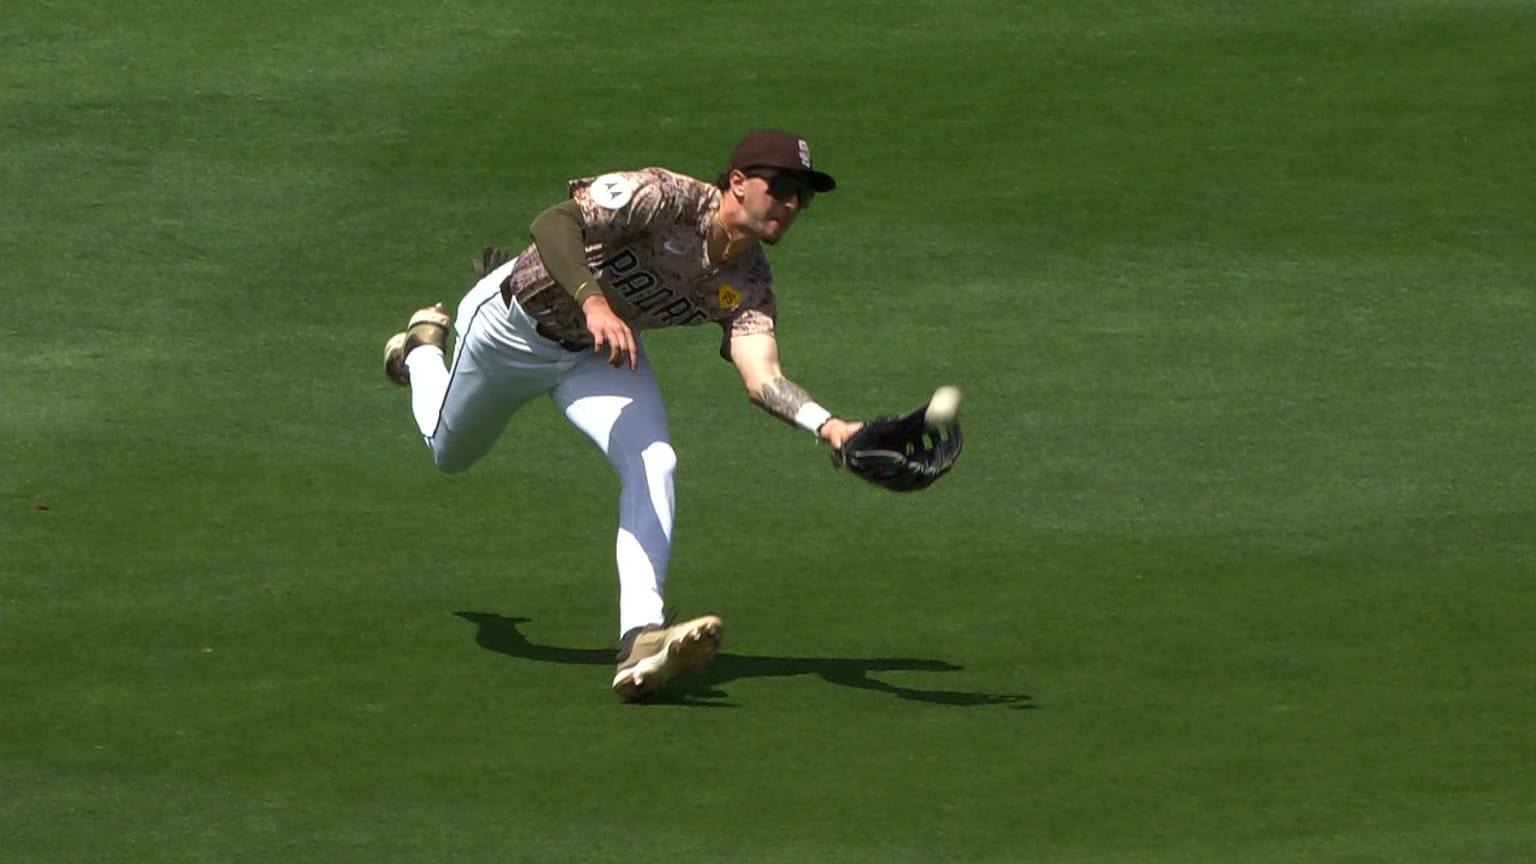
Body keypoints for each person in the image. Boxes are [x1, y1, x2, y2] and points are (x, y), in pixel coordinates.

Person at [382, 129, 860, 702]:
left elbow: (763, 378)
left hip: (598, 355)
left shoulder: (748, 281)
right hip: (511, 329)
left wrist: (829, 426)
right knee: (448, 452)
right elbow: (552, 223)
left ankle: (640, 636)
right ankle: (422, 351)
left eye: (802, 196)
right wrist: (593, 301)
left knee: (654, 461)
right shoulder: (664, 197)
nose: (790, 204)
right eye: (780, 187)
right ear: (737, 182)